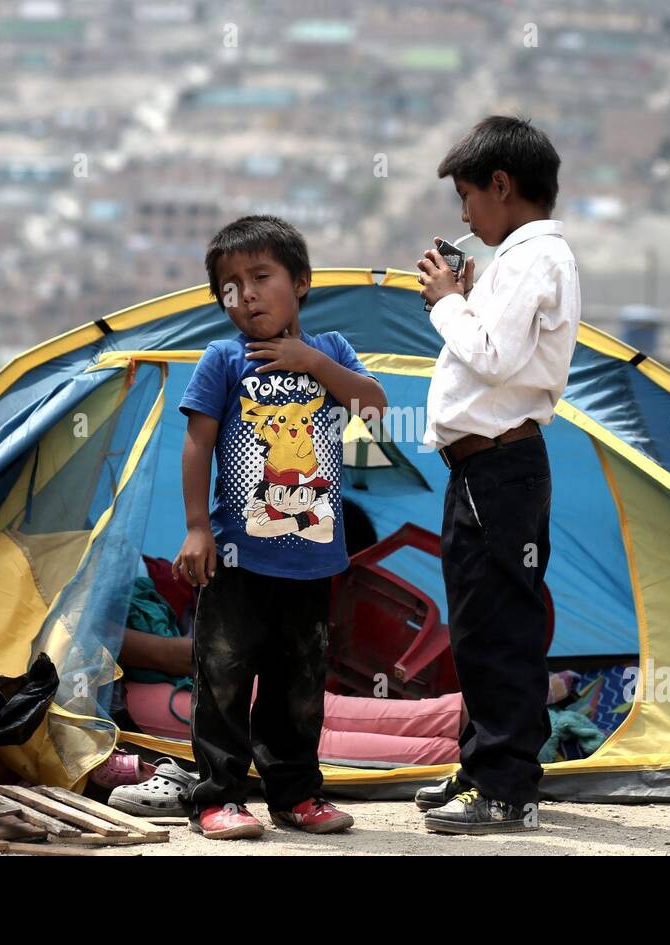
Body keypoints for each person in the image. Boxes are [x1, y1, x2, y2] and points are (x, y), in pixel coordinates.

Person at [171, 215, 388, 840]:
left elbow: (373, 406)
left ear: (301, 284)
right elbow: (197, 444)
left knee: (300, 687)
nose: (246, 293)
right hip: (237, 559)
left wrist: (310, 361)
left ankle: (296, 795)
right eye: (230, 285)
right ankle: (218, 796)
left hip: (312, 559)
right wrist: (196, 528)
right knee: (223, 677)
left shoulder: (334, 353)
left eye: (261, 276)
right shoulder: (222, 360)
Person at [414, 115, 582, 834]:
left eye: (467, 195)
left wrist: (447, 299)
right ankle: (482, 763)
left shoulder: (533, 260)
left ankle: (506, 787)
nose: (463, 214)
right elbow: (498, 345)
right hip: (485, 469)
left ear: (502, 185)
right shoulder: (522, 263)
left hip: (499, 468)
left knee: (500, 628)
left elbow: (491, 354)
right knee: (478, 625)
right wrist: (469, 297)